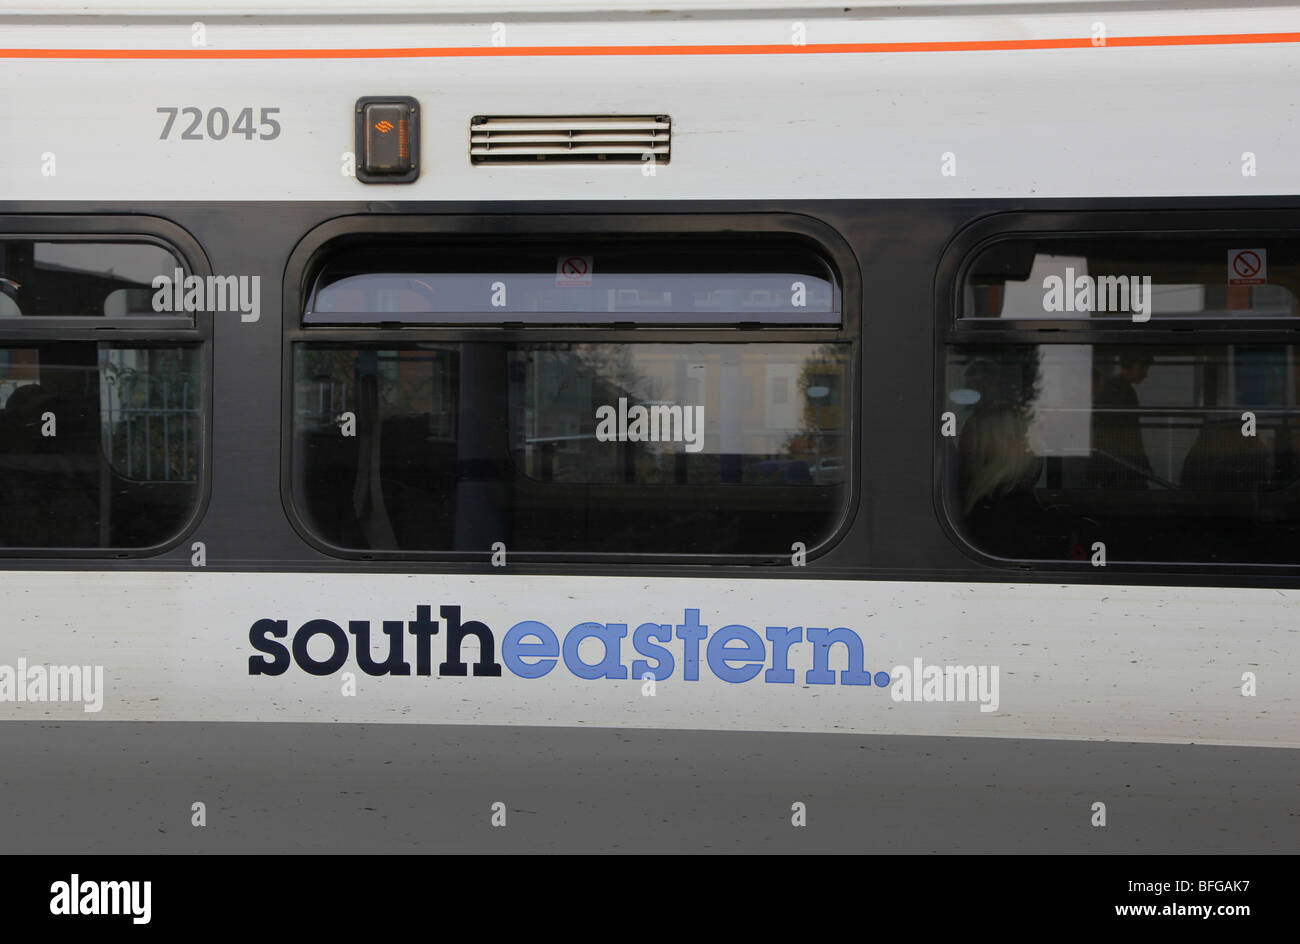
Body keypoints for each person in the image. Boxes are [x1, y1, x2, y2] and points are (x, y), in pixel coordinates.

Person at [1088, 349, 1153, 489]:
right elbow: (1129, 433)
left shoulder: (1115, 388)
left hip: (1116, 460)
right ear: (1133, 366)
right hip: (1119, 461)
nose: (1145, 374)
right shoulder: (1121, 391)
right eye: (1143, 368)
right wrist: (1139, 461)